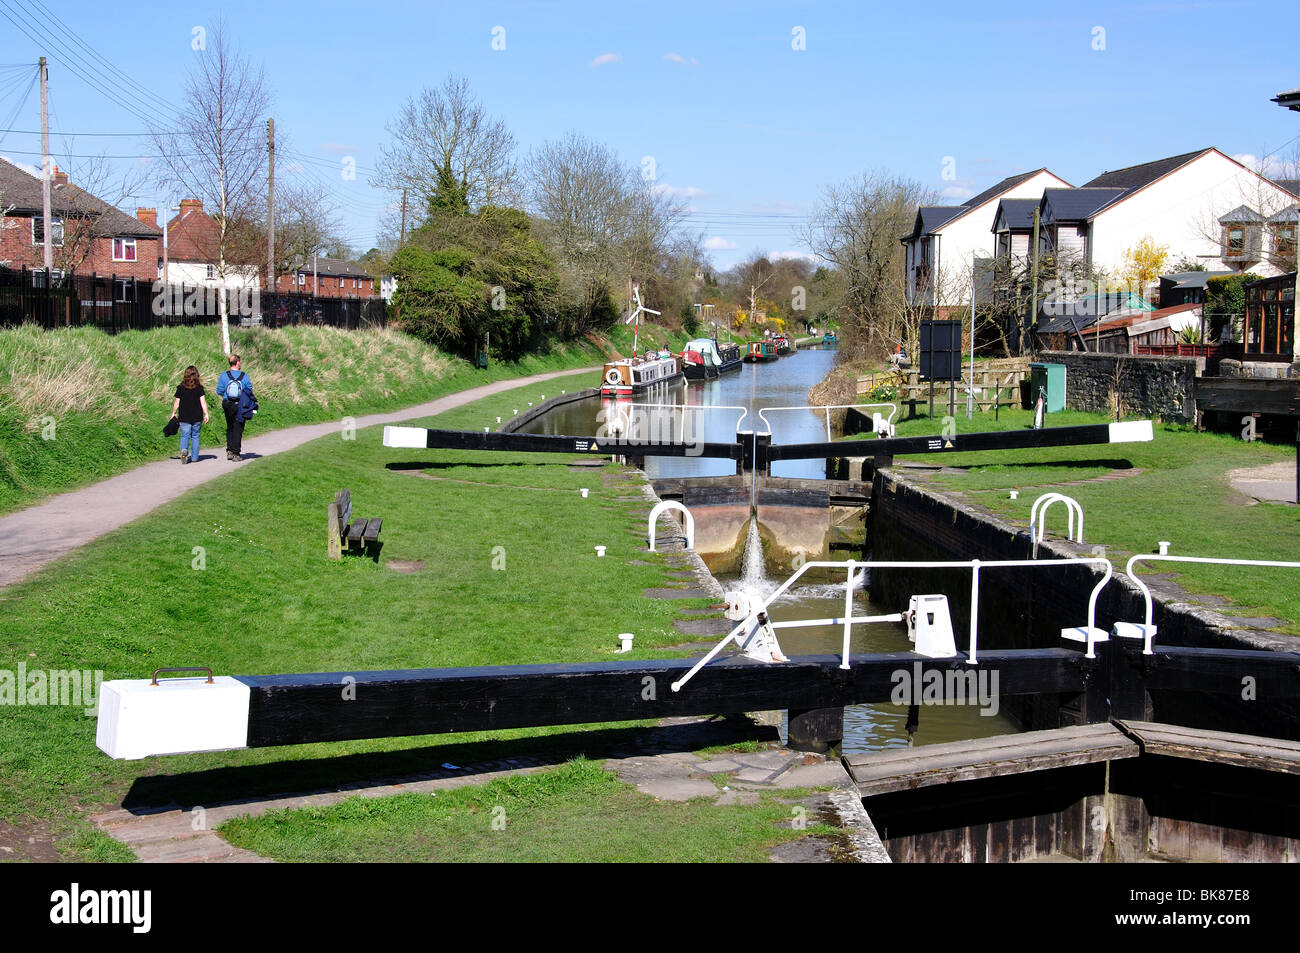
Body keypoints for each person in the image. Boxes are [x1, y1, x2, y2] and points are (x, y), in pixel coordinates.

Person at [216, 353, 255, 461]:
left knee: (230, 427)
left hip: (227, 404)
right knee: (238, 427)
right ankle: (236, 453)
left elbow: (219, 390)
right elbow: (249, 390)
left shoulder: (224, 375)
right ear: (237, 362)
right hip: (240, 405)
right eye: (240, 361)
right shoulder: (244, 376)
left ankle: (229, 450)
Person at [169, 365, 209, 465]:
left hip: (184, 416)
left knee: (184, 436)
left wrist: (173, 413)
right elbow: (203, 402)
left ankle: (184, 453)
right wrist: (206, 414)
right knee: (195, 436)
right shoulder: (199, 388)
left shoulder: (181, 388)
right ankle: (195, 457)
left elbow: (176, 403)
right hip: (197, 417)